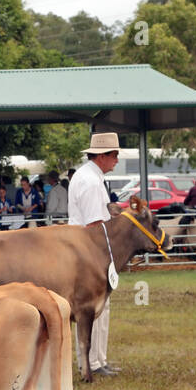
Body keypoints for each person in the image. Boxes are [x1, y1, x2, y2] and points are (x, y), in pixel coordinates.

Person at [69, 132, 122, 377]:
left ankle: (99, 359)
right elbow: (93, 225)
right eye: (114, 155)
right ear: (102, 156)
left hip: (86, 251)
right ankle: (92, 362)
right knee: (93, 309)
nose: (117, 160)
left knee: (102, 308)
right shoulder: (90, 181)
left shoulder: (91, 177)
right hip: (89, 252)